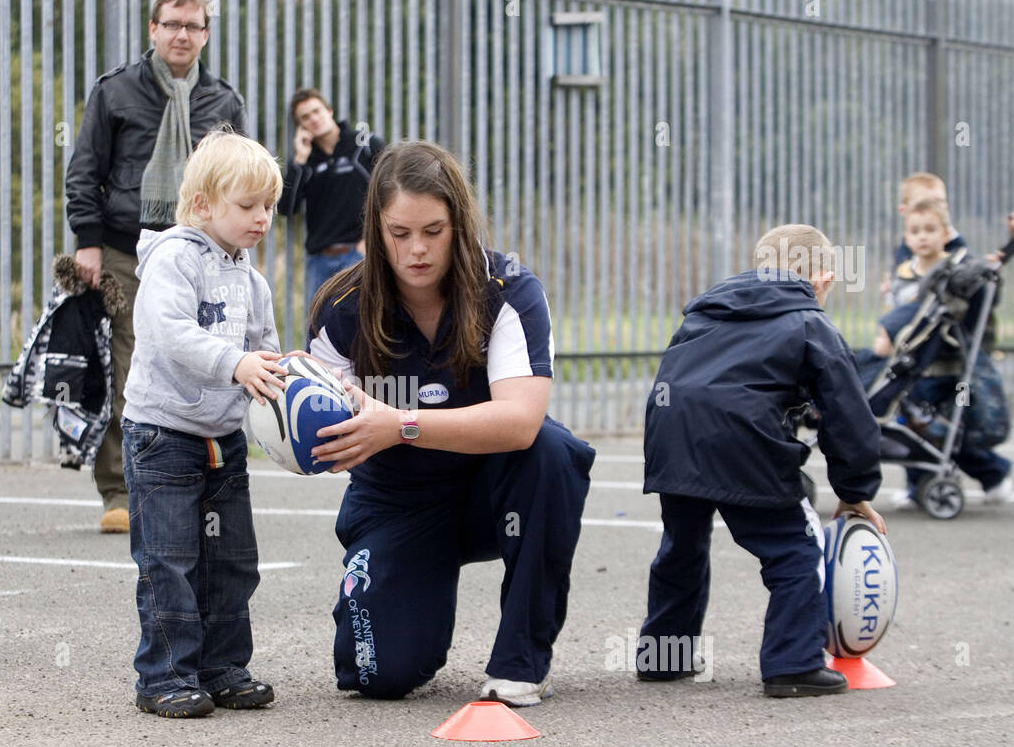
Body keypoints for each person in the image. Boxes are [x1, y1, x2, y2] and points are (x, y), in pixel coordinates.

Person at [305, 141, 596, 707]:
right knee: (376, 677)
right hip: (399, 501)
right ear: (376, 227)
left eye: (433, 231)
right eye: (400, 233)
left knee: (553, 452)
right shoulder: (340, 308)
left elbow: (519, 422)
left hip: (492, 493)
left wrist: (402, 424)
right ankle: (397, 589)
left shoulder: (509, 291)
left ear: (459, 223)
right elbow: (324, 433)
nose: (417, 250)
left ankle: (520, 662)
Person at [641, 224, 884, 698]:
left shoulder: (707, 311)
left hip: (673, 439)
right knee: (795, 548)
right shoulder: (811, 321)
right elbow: (849, 415)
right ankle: (792, 664)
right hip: (741, 441)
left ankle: (663, 657)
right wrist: (855, 492)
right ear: (823, 281)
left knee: (682, 547)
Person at [65, 0, 247, 534]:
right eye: (171, 24)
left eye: (193, 26)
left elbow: (238, 177)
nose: (182, 35)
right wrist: (87, 240)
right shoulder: (114, 92)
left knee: (206, 362)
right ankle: (120, 490)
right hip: (127, 250)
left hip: (198, 252)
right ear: (153, 29)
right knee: (132, 366)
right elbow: (84, 170)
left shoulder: (224, 102)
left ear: (206, 35)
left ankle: (197, 479)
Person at [122, 130, 285, 718]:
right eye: (247, 206)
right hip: (162, 436)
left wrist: (289, 383)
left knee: (231, 559)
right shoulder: (173, 258)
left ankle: (222, 667)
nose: (262, 218)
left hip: (224, 442)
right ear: (202, 206)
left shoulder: (252, 279)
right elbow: (170, 335)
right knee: (169, 559)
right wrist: (235, 364)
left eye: (268, 205)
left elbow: (264, 350)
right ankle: (165, 674)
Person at [875, 198, 1012, 506]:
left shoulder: (953, 274)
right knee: (910, 428)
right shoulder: (901, 271)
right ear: (906, 237)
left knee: (945, 433)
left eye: (930, 229)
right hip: (909, 364)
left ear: (945, 234)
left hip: (944, 367)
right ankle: (917, 485)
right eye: (915, 231)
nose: (922, 236)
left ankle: (994, 473)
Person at [278, 88, 384, 303]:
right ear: (301, 127)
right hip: (320, 262)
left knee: (364, 327)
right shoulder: (305, 162)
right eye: (305, 117)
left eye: (316, 111)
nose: (313, 119)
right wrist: (300, 158)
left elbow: (389, 192)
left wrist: (371, 240)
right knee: (320, 331)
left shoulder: (364, 145)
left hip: (360, 256)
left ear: (329, 110)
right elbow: (286, 209)